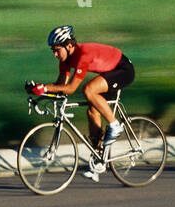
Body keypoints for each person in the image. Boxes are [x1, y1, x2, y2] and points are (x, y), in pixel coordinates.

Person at [25, 26, 134, 181]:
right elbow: (60, 86)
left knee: (88, 90)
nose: (55, 54)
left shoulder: (82, 56)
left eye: (57, 50)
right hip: (109, 73)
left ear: (69, 45)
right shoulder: (64, 60)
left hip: (124, 70)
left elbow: (70, 88)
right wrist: (39, 91)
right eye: (53, 51)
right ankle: (99, 158)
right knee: (92, 111)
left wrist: (45, 88)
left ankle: (115, 125)